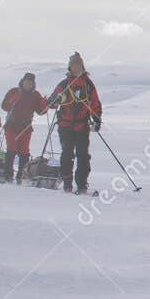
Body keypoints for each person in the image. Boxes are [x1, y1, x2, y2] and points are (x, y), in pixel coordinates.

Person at [47, 52, 103, 194]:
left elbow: (95, 103)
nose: (76, 67)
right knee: (67, 154)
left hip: (82, 125)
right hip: (65, 125)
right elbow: (52, 103)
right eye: (73, 65)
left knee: (83, 155)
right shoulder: (64, 84)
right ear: (70, 67)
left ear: (82, 66)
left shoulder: (88, 84)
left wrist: (97, 119)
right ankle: (67, 183)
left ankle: (82, 184)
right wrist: (55, 100)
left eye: (78, 65)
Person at [1, 73, 48, 183]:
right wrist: (13, 100)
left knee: (24, 152)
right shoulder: (14, 91)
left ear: (33, 84)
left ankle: (21, 175)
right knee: (11, 150)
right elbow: (4, 106)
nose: (28, 84)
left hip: (25, 128)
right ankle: (8, 175)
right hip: (11, 125)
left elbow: (40, 111)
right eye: (26, 82)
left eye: (30, 83)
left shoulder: (36, 95)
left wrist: (45, 104)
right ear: (22, 82)